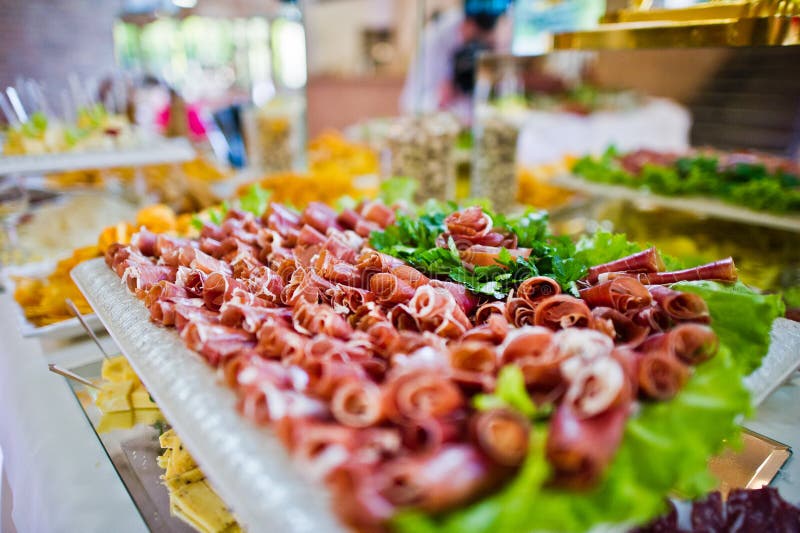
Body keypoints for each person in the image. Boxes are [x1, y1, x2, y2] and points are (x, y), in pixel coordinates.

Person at [400, 0, 511, 123]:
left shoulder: (480, 41)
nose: (477, 43)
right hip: (433, 122)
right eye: (476, 36)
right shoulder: (434, 40)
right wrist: (439, 98)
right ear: (468, 24)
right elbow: (411, 104)